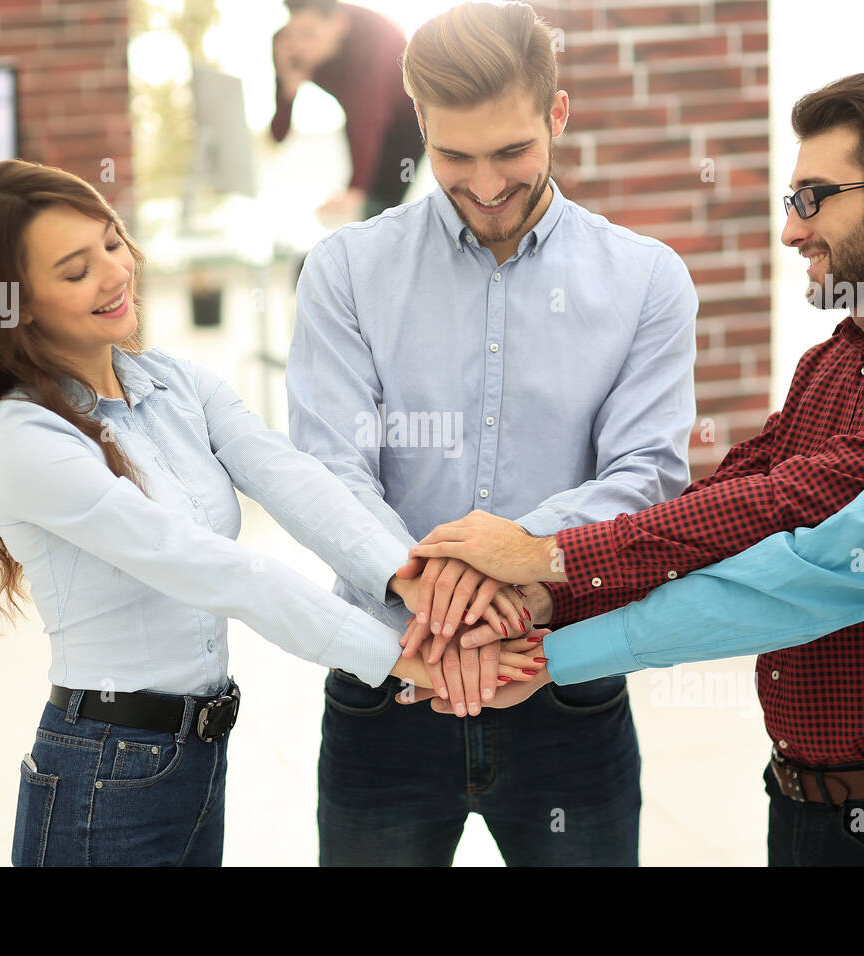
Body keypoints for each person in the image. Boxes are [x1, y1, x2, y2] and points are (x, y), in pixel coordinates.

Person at [403, 74, 864, 866]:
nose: (791, 233)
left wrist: (547, 556)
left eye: (810, 200)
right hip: (798, 804)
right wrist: (540, 596)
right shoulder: (827, 366)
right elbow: (723, 503)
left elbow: (789, 506)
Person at [0, 158, 544, 867]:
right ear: (19, 305)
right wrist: (406, 658)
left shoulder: (172, 381)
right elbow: (216, 570)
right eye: (75, 271)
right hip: (101, 774)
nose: (113, 271)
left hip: (193, 759)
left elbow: (291, 479)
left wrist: (414, 581)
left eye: (111, 241)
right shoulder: (25, 437)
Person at [287, 1, 698, 866]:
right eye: (453, 155)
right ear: (422, 126)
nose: (483, 185)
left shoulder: (647, 281)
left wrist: (513, 576)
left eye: (510, 152)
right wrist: (432, 596)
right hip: (386, 679)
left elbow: (647, 475)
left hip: (565, 683)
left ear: (557, 113)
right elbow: (330, 470)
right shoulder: (346, 271)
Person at [271, 0, 424, 222]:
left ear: (339, 25)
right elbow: (278, 134)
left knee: (384, 207)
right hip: (357, 122)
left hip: (408, 123)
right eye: (294, 33)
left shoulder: (371, 38)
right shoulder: (287, 46)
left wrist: (356, 190)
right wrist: (287, 88)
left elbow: (369, 115)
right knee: (356, 215)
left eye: (309, 35)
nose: (300, 46)